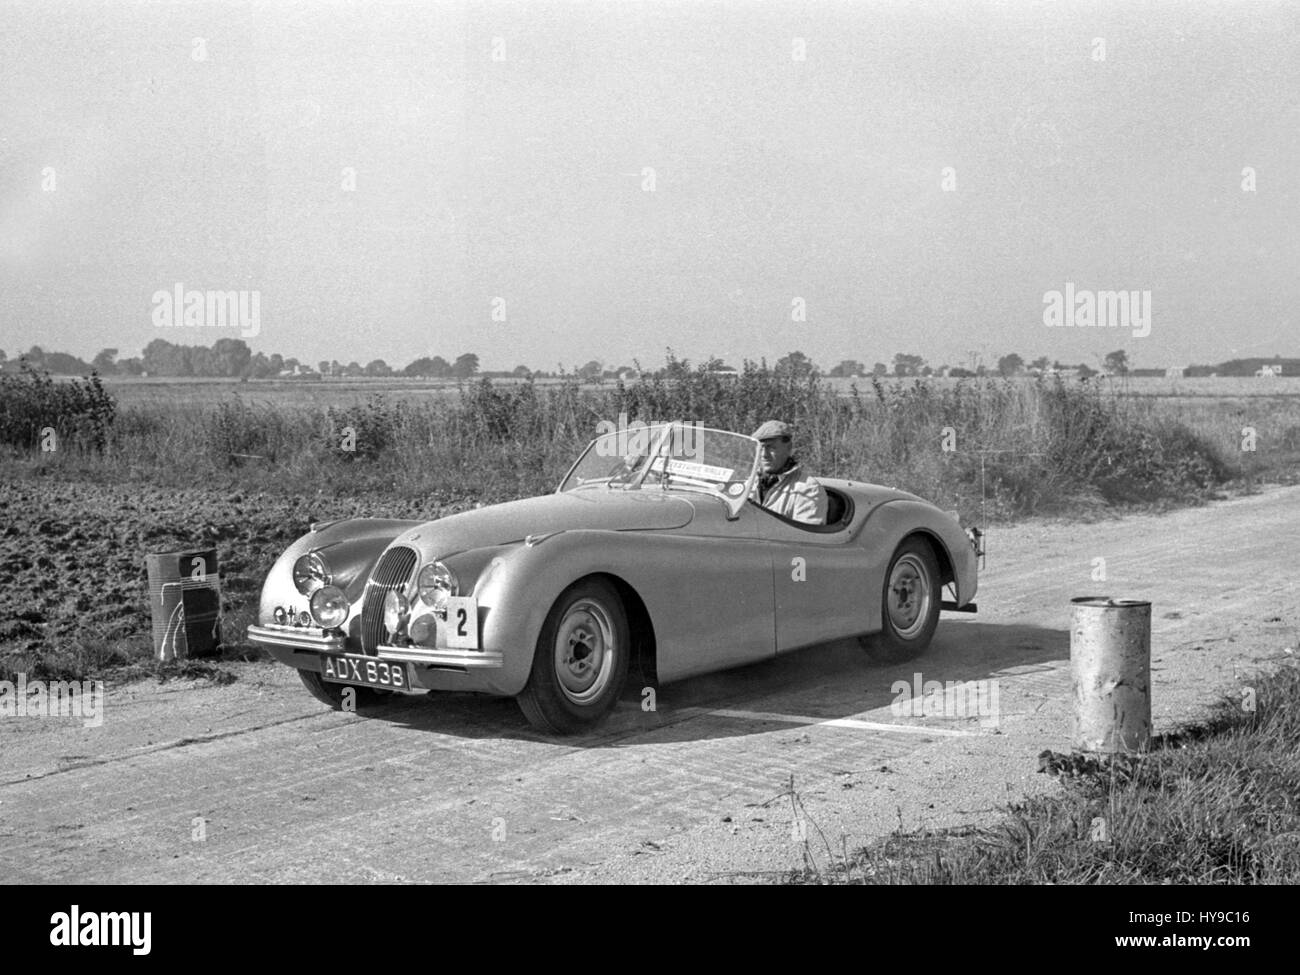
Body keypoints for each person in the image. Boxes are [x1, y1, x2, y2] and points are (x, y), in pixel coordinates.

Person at [748, 420, 827, 525]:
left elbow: (807, 537)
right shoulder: (748, 484)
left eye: (771, 447)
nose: (764, 454)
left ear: (788, 448)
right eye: (760, 447)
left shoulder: (807, 489)